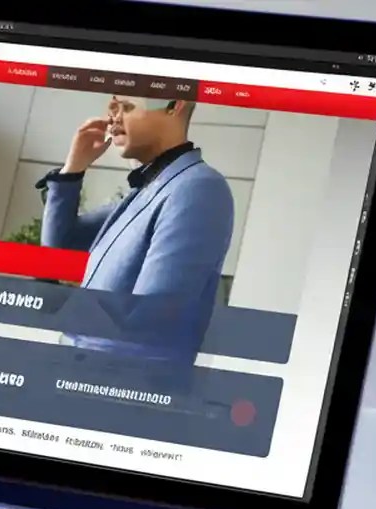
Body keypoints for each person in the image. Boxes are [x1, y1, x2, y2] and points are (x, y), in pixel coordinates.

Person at [37, 95, 234, 365]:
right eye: (112, 106)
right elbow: (57, 254)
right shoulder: (143, 194)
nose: (112, 116)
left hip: (112, 392)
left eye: (126, 105)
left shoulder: (197, 188)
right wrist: (73, 170)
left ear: (174, 104)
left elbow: (148, 322)